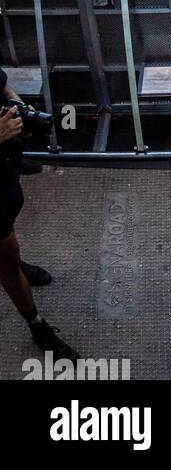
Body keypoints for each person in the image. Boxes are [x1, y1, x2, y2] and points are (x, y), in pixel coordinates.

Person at [0, 67, 78, 359]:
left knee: (11, 215)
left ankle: (15, 263)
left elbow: (3, 88)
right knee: (6, 258)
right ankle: (36, 325)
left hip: (5, 170)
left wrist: (20, 110)